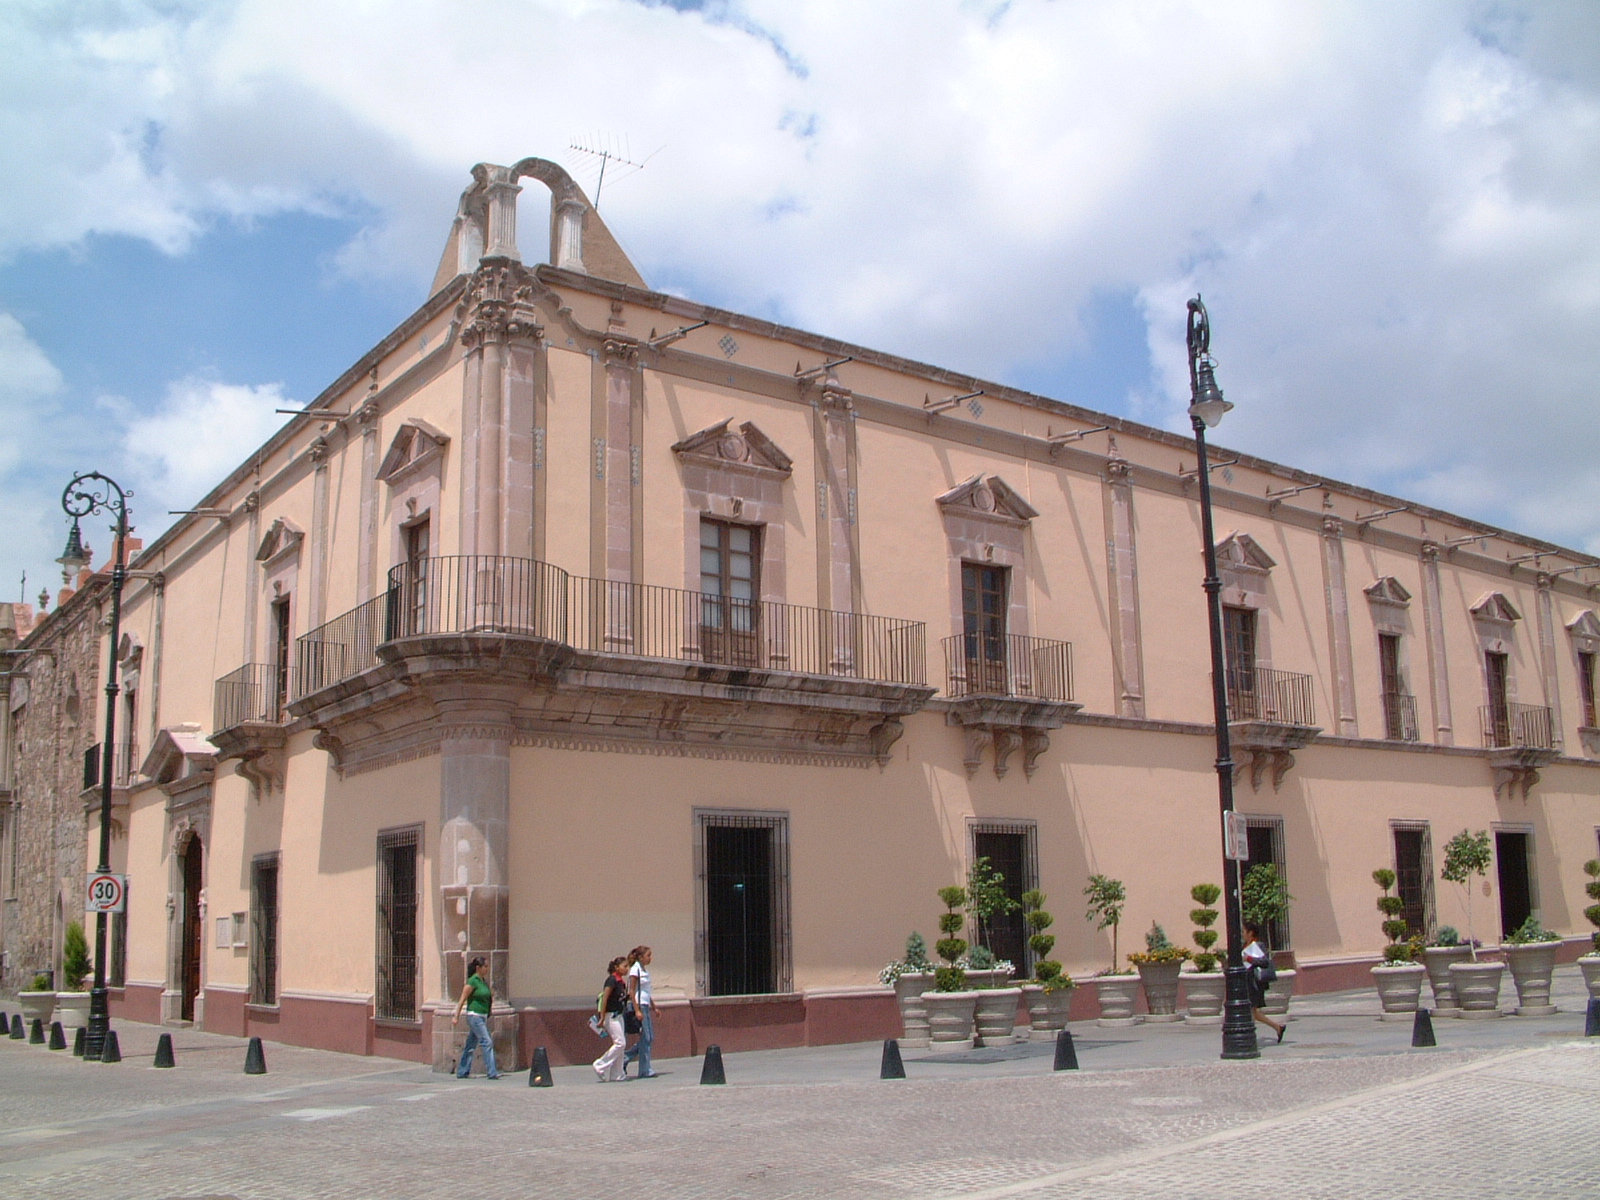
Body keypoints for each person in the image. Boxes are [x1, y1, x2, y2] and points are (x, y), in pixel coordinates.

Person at [451, 957, 502, 1078]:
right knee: (487, 1041)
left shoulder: (483, 981)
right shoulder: (472, 981)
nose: (487, 969)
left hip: (482, 1016)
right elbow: (462, 999)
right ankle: (492, 1072)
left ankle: (462, 1071)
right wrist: (456, 1016)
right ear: (478, 968)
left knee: (471, 1044)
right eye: (485, 966)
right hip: (474, 1016)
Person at [1242, 922, 1285, 1043]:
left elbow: (1264, 962)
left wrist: (1248, 959)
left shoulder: (1258, 945)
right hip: (1247, 981)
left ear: (1250, 933)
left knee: (1251, 1010)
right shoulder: (1244, 946)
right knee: (1253, 1011)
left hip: (1255, 982)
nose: (1242, 934)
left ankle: (1250, 1037)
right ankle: (1278, 1027)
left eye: (1244, 931)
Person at [593, 956, 631, 1082]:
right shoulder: (611, 980)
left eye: (627, 966)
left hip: (619, 1015)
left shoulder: (621, 982)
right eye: (624, 966)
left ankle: (618, 1074)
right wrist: (602, 1016)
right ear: (616, 967)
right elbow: (604, 998)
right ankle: (600, 1065)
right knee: (620, 1043)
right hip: (611, 1015)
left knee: (621, 1044)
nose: (627, 969)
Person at [622, 945, 657, 1079]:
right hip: (639, 1005)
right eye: (648, 955)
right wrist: (637, 1010)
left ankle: (626, 1057)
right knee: (646, 1038)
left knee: (649, 1038)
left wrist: (654, 1007)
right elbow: (632, 991)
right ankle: (644, 1069)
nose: (650, 958)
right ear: (641, 957)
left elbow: (647, 991)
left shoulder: (644, 970)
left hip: (645, 1005)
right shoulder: (635, 970)